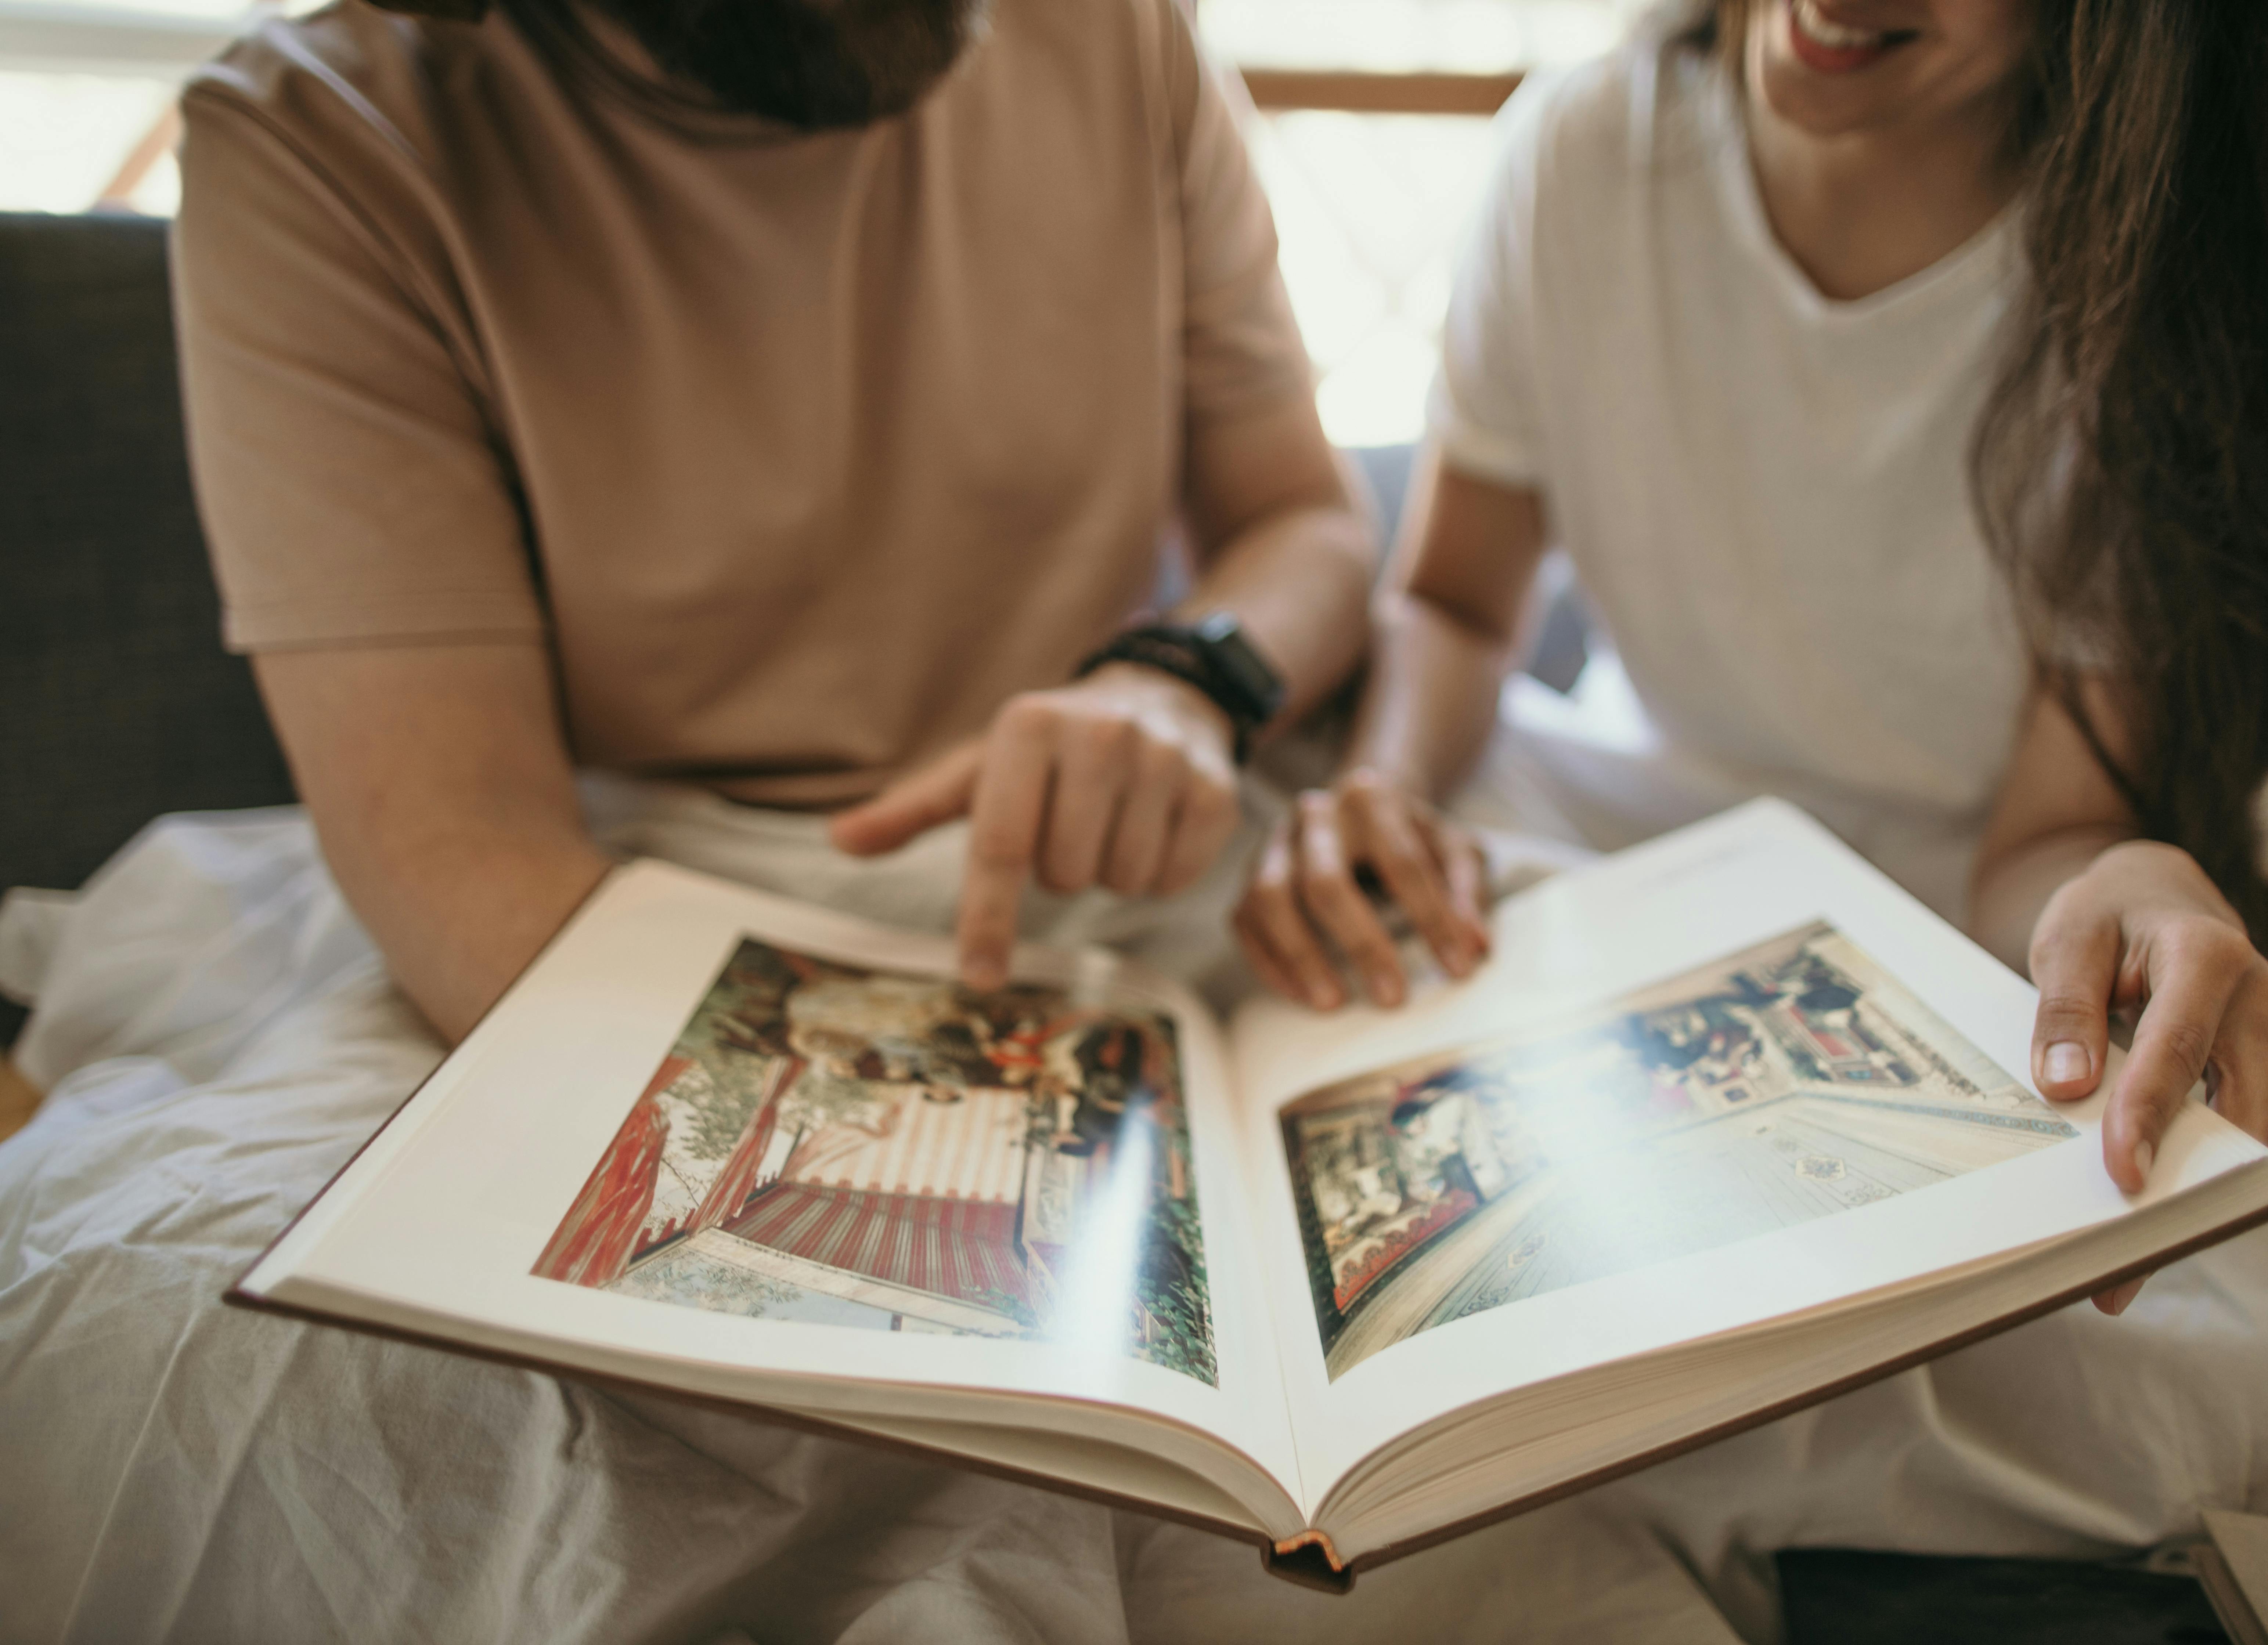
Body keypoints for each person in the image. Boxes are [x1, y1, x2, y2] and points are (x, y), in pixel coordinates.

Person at [0, 0, 1629, 1637]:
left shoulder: (1120, 31)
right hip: (626, 933)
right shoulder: (325, 134)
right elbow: (461, 852)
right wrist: (931, 1177)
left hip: (1140, 865)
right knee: (259, 1359)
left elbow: (1302, 523)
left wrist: (1183, 679)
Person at [1236, 0, 2268, 1628]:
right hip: (1651, 816)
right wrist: (1384, 792)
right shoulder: (1589, 150)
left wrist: (2137, 874)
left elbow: (2050, 828)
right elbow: (1459, 609)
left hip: (1984, 909)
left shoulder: (2163, 271)